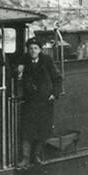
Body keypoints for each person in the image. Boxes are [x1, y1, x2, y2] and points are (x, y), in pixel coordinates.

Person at [18, 37, 60, 166]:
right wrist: (19, 71)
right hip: (30, 102)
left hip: (44, 102)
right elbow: (17, 74)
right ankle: (25, 158)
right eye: (30, 48)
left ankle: (36, 156)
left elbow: (58, 79)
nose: (33, 51)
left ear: (40, 50)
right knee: (27, 131)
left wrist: (54, 94)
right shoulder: (24, 61)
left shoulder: (46, 61)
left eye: (35, 48)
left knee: (42, 130)